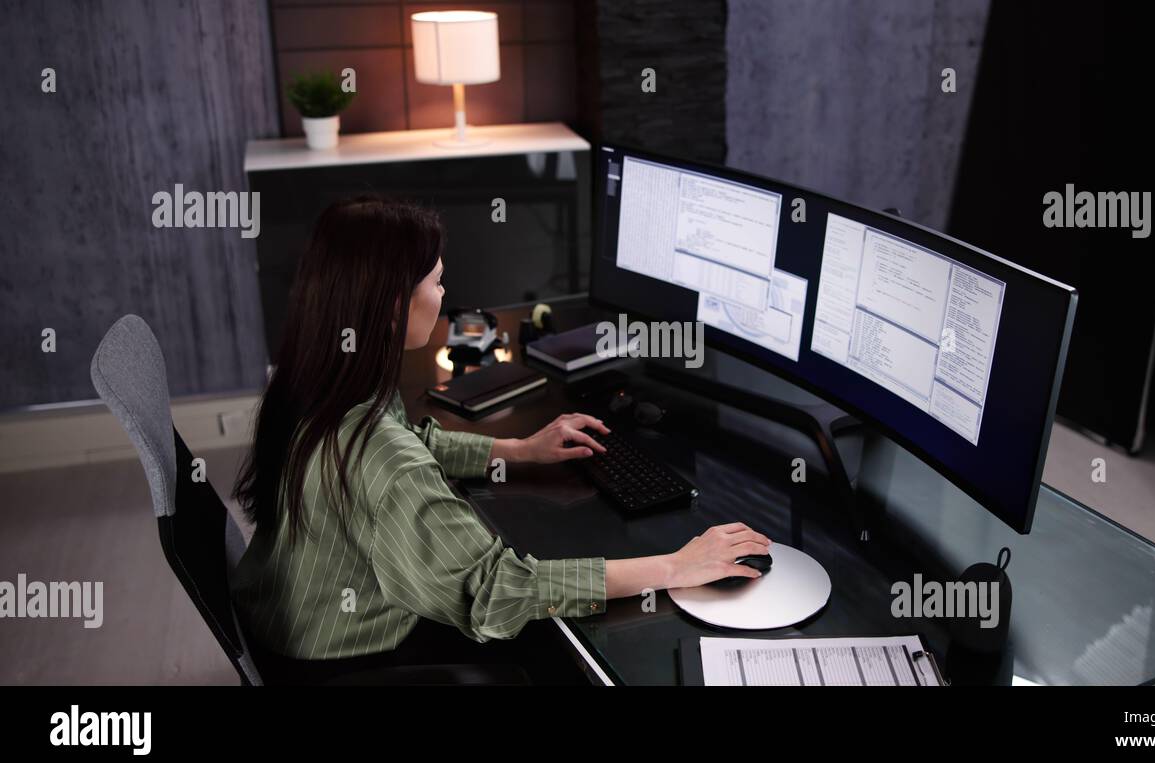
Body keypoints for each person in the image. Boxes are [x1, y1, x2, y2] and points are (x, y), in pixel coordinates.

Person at [230, 196, 769, 681]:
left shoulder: (320, 379)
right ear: (396, 305)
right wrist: (675, 566)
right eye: (437, 282)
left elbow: (409, 438)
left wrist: (516, 450)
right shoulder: (385, 458)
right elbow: (495, 590)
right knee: (565, 652)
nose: (445, 294)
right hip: (343, 659)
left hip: (293, 619)